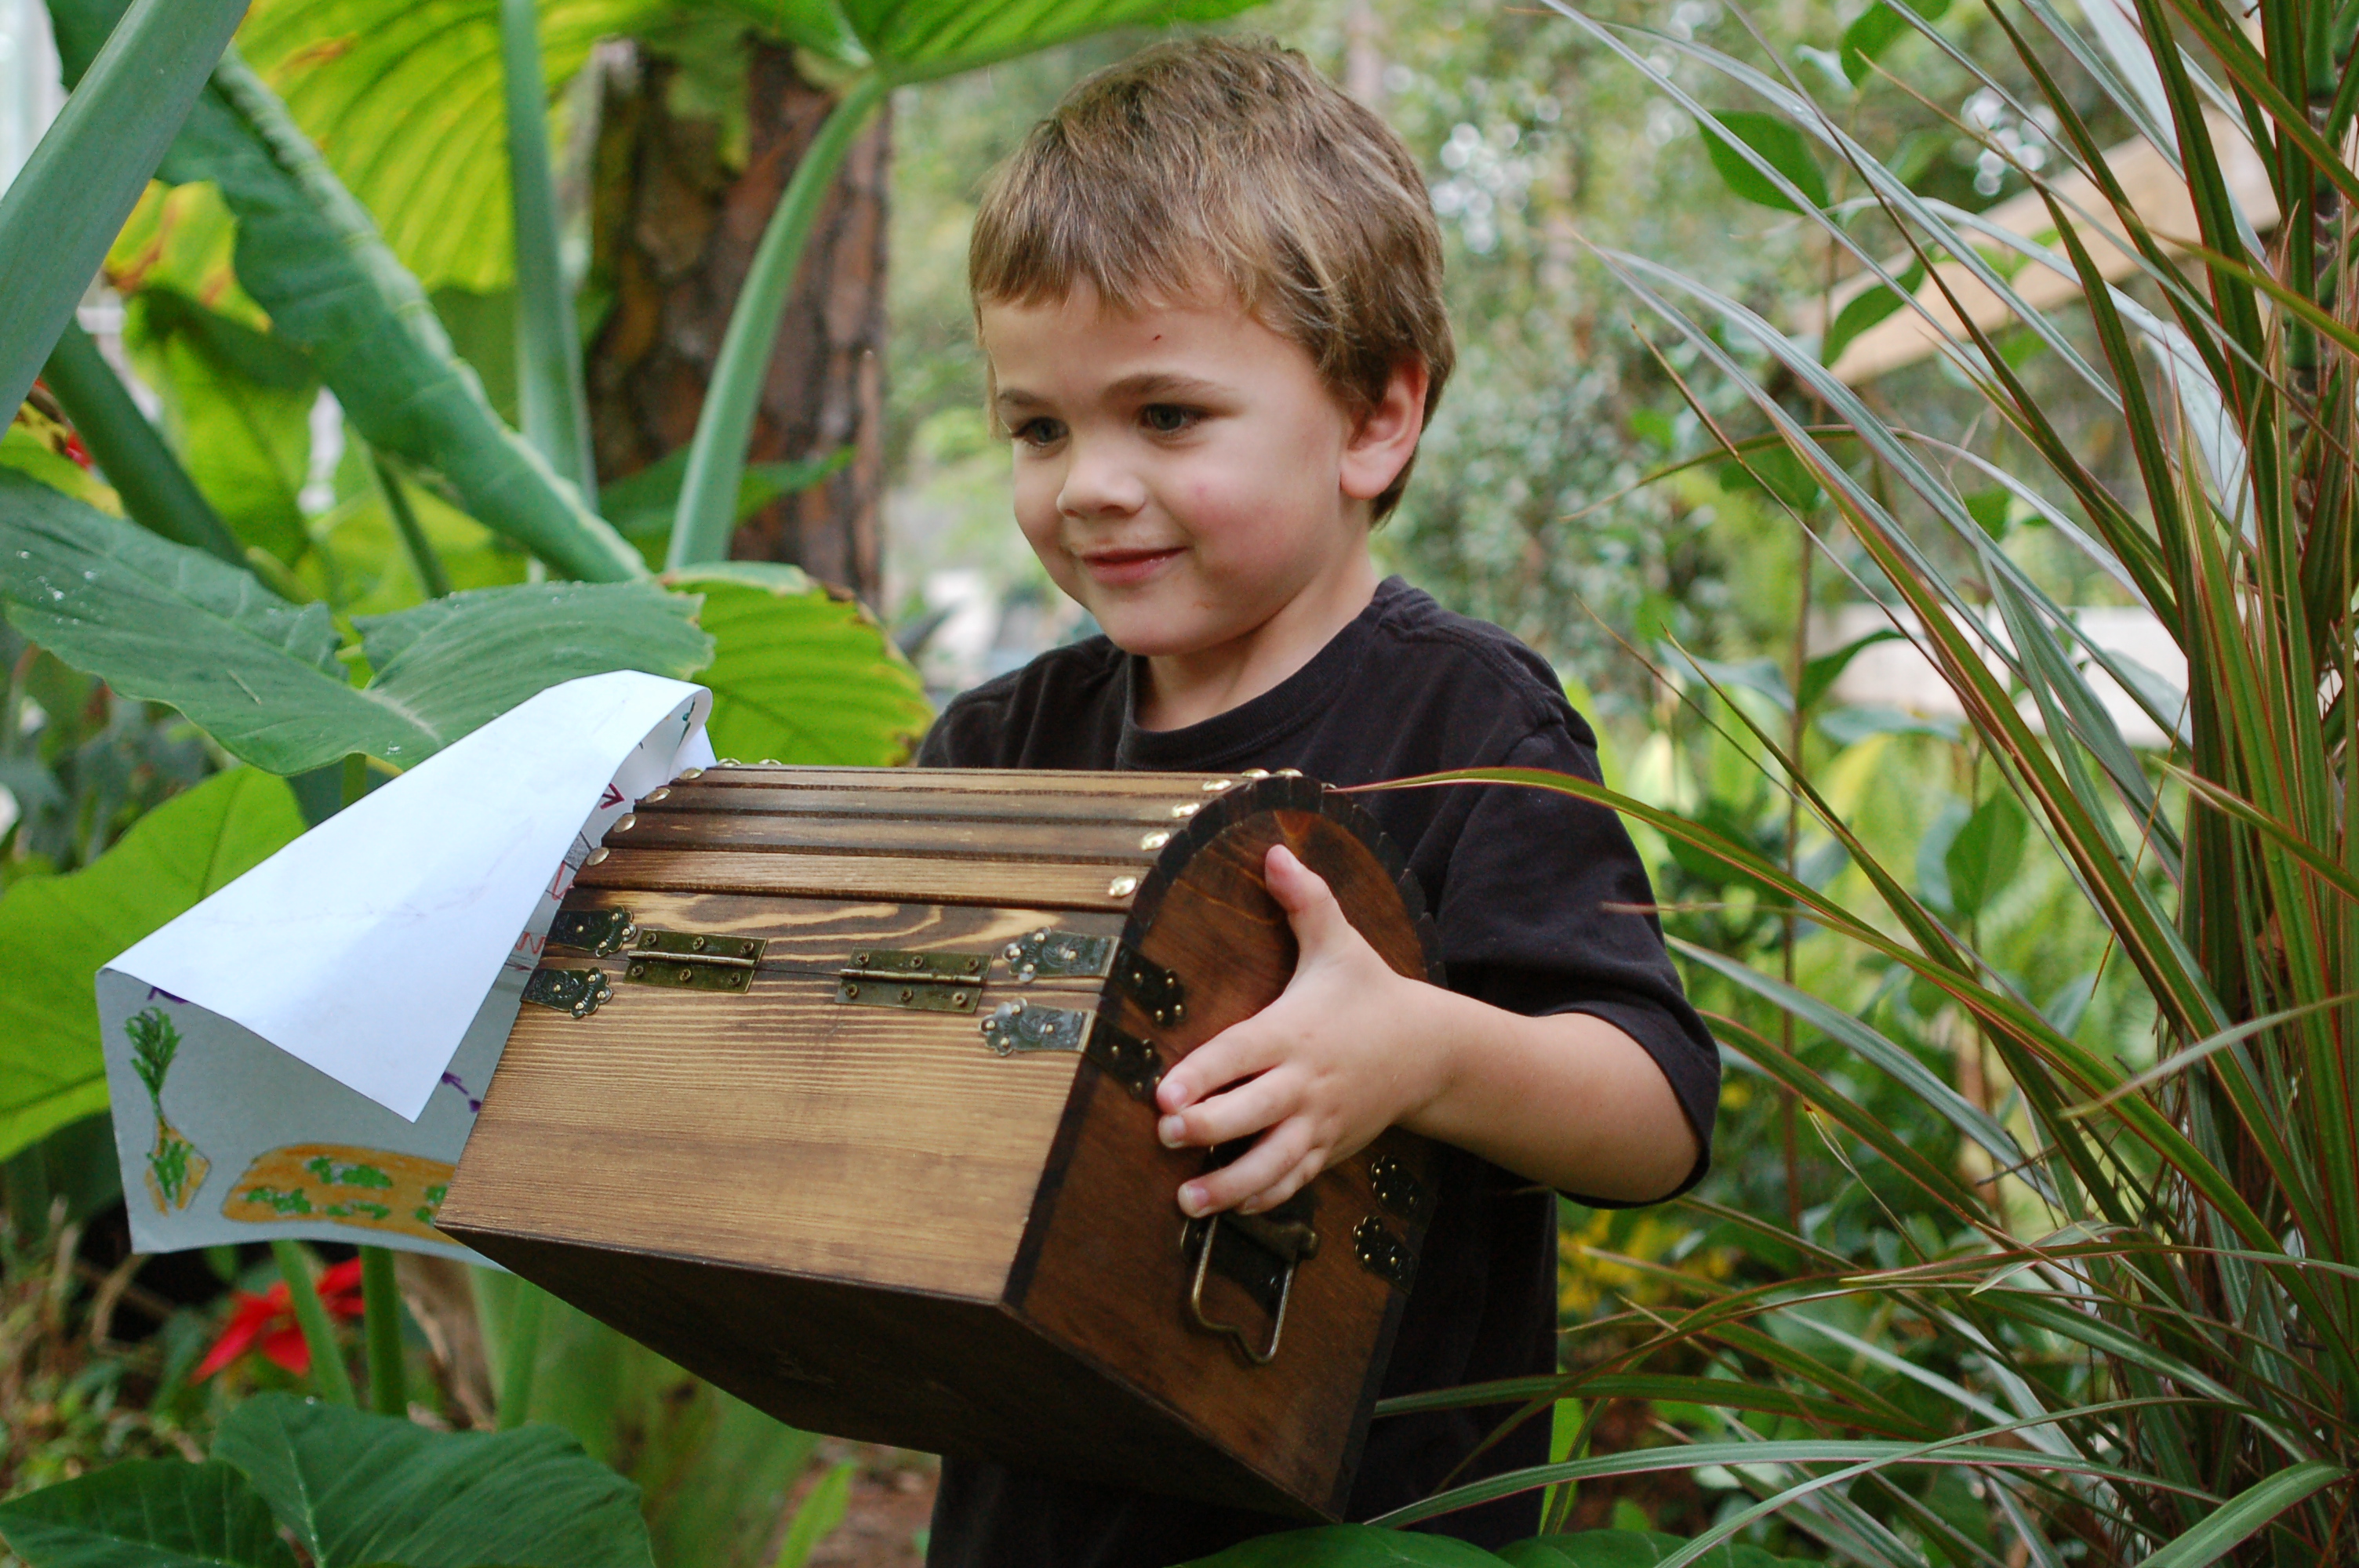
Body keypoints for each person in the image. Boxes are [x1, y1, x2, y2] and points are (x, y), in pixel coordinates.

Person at [917, 34, 1718, 1567]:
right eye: (1038, 425)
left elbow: (1655, 1110)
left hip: (1368, 1527)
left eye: (1164, 416)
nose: (1085, 482)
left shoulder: (1465, 722)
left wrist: (1417, 1050)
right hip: (1029, 1519)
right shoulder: (997, 744)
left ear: (1373, 421)